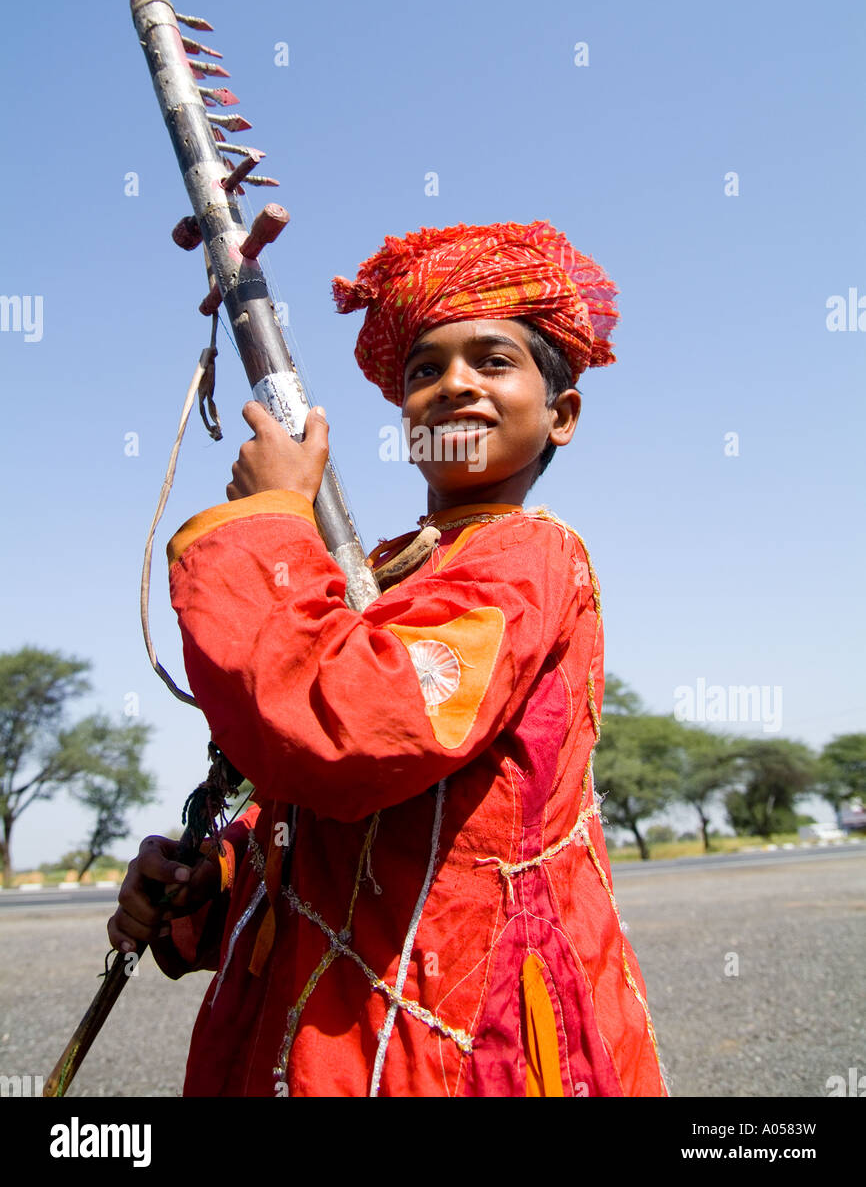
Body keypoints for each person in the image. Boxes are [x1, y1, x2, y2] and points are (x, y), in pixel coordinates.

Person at [109, 219, 668, 1097]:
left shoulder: (527, 556)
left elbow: (346, 733)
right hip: (329, 1019)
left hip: (455, 1028)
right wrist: (207, 883)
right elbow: (331, 821)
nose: (452, 387)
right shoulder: (385, 572)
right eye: (423, 370)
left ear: (561, 415)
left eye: (492, 362)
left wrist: (267, 523)